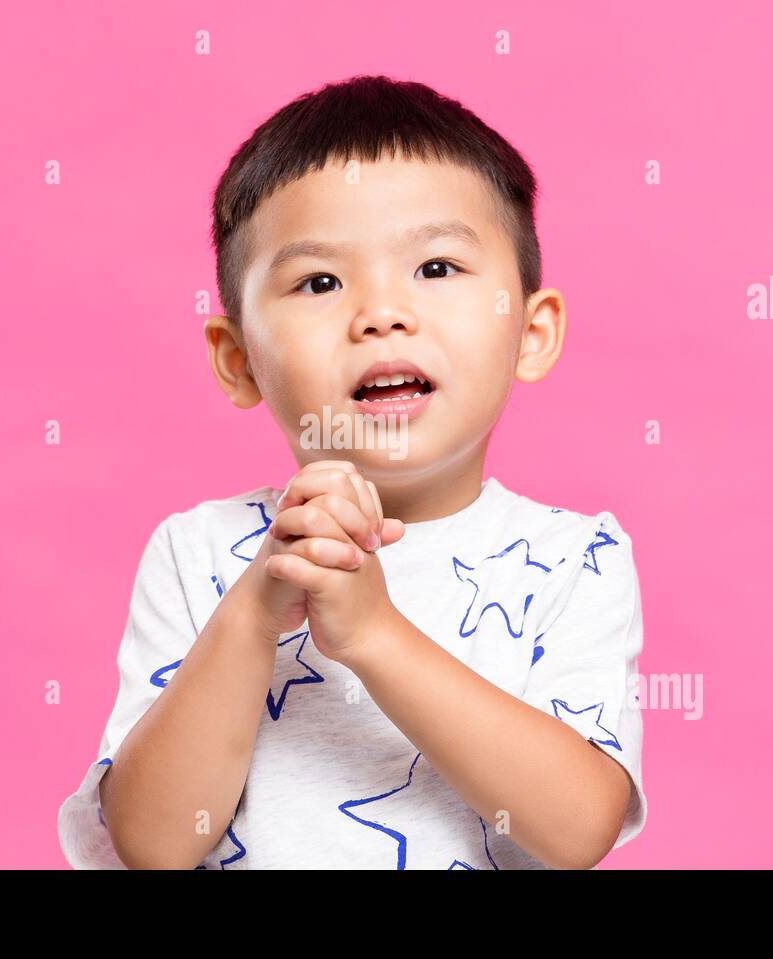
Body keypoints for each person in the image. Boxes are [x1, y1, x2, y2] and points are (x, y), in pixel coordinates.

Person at [58, 74, 646, 869]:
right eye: (320, 282)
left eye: (437, 268)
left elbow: (579, 830)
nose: (382, 312)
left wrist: (373, 634)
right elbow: (153, 845)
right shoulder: (201, 551)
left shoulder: (576, 559)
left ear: (531, 331)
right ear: (239, 362)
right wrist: (253, 616)